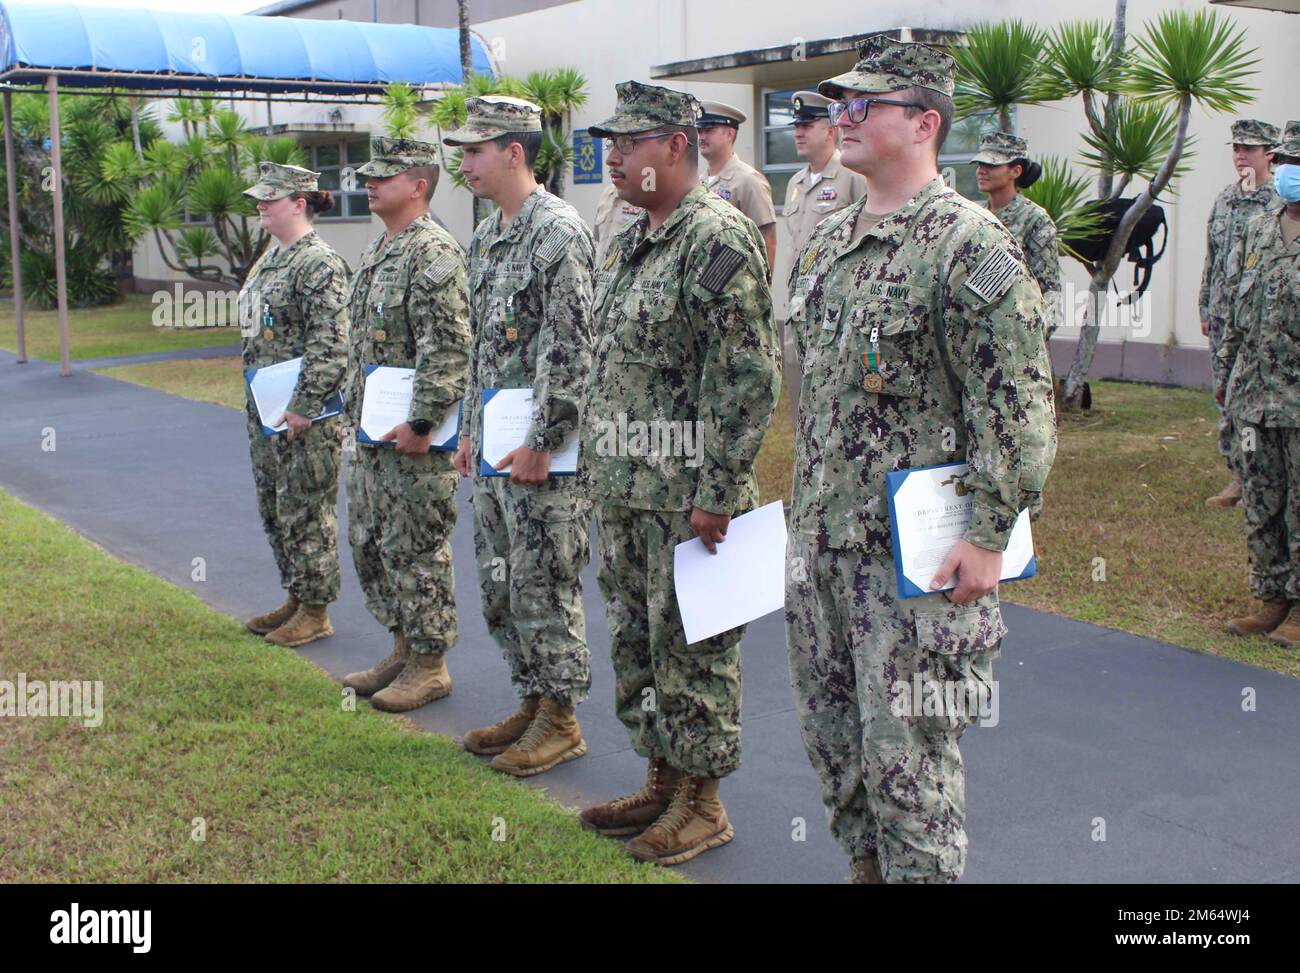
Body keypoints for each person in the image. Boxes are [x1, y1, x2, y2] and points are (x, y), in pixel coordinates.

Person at [784, 35, 1057, 884]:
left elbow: (1018, 409)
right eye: (843, 105)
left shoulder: (968, 247)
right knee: (840, 758)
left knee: (913, 780)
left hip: (915, 573)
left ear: (926, 122)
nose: (845, 118)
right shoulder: (830, 243)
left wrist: (988, 534)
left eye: (867, 106)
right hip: (825, 553)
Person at [576, 81, 780, 865]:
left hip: (689, 498)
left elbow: (746, 376)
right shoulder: (631, 239)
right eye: (612, 143)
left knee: (695, 650)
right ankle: (661, 779)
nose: (614, 156)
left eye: (629, 142)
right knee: (640, 645)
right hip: (627, 488)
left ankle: (703, 802)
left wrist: (718, 491)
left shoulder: (716, 237)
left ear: (677, 146)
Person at [445, 96, 597, 776]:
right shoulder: (488, 235)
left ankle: (561, 717)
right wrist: (470, 430)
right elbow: (483, 345)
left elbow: (569, 345)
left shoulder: (558, 232)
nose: (464, 162)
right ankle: (533, 698)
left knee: (544, 578)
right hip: (496, 441)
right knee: (504, 581)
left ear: (514, 151)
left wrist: (544, 437)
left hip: (542, 450)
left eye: (476, 150)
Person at [339, 137, 472, 713]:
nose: (370, 184)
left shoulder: (433, 253)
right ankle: (402, 647)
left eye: (384, 177)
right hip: (374, 434)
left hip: (415, 440)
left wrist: (423, 421)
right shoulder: (380, 250)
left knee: (416, 548)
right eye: (368, 176)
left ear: (418, 186)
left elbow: (448, 347)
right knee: (372, 543)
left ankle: (429, 663)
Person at [239, 163, 350, 649]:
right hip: (267, 407)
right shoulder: (272, 256)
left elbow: (332, 341)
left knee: (307, 508)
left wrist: (306, 404)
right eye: (260, 198)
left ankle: (316, 609)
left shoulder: (318, 262)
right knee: (276, 506)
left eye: (271, 198)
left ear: (299, 204)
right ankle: (296, 594)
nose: (261, 205)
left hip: (304, 414)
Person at [1218, 120, 1300, 645]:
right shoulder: (1260, 226)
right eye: (1287, 164)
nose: (1291, 174)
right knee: (1263, 500)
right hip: (1255, 392)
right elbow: (1237, 307)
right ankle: (1273, 598)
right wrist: (1227, 373)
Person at [1201, 119, 1282, 510]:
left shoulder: (1280, 203)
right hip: (1223, 318)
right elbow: (1212, 258)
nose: (1240, 155)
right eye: (1236, 148)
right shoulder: (1224, 201)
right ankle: (1238, 472)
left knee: (1260, 400)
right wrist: (1205, 306)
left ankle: (1261, 474)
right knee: (1226, 397)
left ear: (1270, 154)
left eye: (1249, 149)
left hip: (1263, 321)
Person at [779, 90, 868, 432]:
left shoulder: (852, 175)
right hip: (800, 310)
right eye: (796, 126)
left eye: (807, 124)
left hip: (838, 311)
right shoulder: (795, 184)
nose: (798, 132)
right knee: (801, 408)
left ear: (831, 130)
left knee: (838, 412)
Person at [972, 131, 1063, 341]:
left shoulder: (1035, 220)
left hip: (1015, 342)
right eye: (979, 165)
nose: (981, 171)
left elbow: (1050, 294)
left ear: (1016, 170)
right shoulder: (975, 217)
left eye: (992, 165)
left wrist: (1029, 341)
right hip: (974, 340)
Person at [697, 100, 778, 275]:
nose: (702, 137)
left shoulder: (748, 180)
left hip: (738, 288)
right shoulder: (698, 183)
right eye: (699, 131)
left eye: (709, 130)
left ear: (730, 134)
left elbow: (767, 240)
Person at [592, 180, 643, 266]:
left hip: (625, 271)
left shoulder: (643, 195)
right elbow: (597, 237)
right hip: (600, 271)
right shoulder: (607, 193)